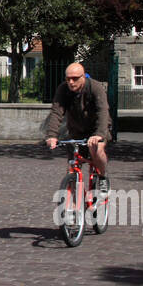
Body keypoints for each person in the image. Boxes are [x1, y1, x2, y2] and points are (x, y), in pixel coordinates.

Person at [43, 62, 110, 197]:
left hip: (97, 129)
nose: (71, 82)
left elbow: (103, 111)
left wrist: (99, 134)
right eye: (68, 79)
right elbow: (56, 112)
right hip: (76, 130)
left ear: (83, 77)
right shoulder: (63, 89)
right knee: (72, 167)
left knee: (96, 150)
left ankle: (103, 177)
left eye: (75, 78)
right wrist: (52, 135)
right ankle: (71, 203)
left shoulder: (95, 87)